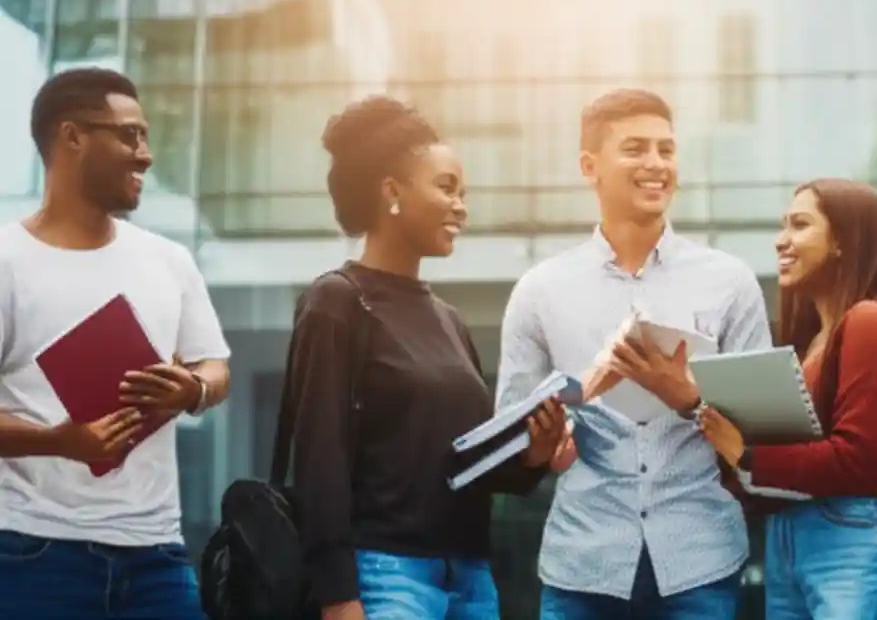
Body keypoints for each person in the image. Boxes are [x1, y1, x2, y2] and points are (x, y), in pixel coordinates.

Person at [495, 88, 772, 619]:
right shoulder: (540, 290)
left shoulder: (729, 282)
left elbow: (760, 433)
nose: (656, 164)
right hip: (583, 562)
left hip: (700, 561)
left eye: (666, 150)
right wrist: (545, 443)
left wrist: (691, 398)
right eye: (636, 148)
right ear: (590, 165)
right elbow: (513, 437)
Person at [288, 95, 566, 620]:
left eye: (463, 192)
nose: (461, 205)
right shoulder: (338, 301)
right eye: (446, 188)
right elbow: (318, 461)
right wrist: (338, 596)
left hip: (470, 579)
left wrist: (533, 455)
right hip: (384, 578)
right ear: (392, 191)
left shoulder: (447, 319)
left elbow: (463, 465)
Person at [0, 68, 231, 618]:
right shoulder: (7, 261)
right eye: (129, 135)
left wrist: (192, 389)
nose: (145, 155)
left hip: (157, 559)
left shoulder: (168, 260)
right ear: (72, 136)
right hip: (32, 557)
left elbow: (215, 365)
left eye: (145, 137)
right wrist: (60, 440)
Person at [696, 178, 877, 619]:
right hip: (790, 536)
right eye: (783, 225)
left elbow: (858, 459)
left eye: (800, 225)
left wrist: (744, 453)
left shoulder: (871, 321)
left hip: (851, 538)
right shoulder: (813, 344)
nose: (781, 240)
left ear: (844, 241)